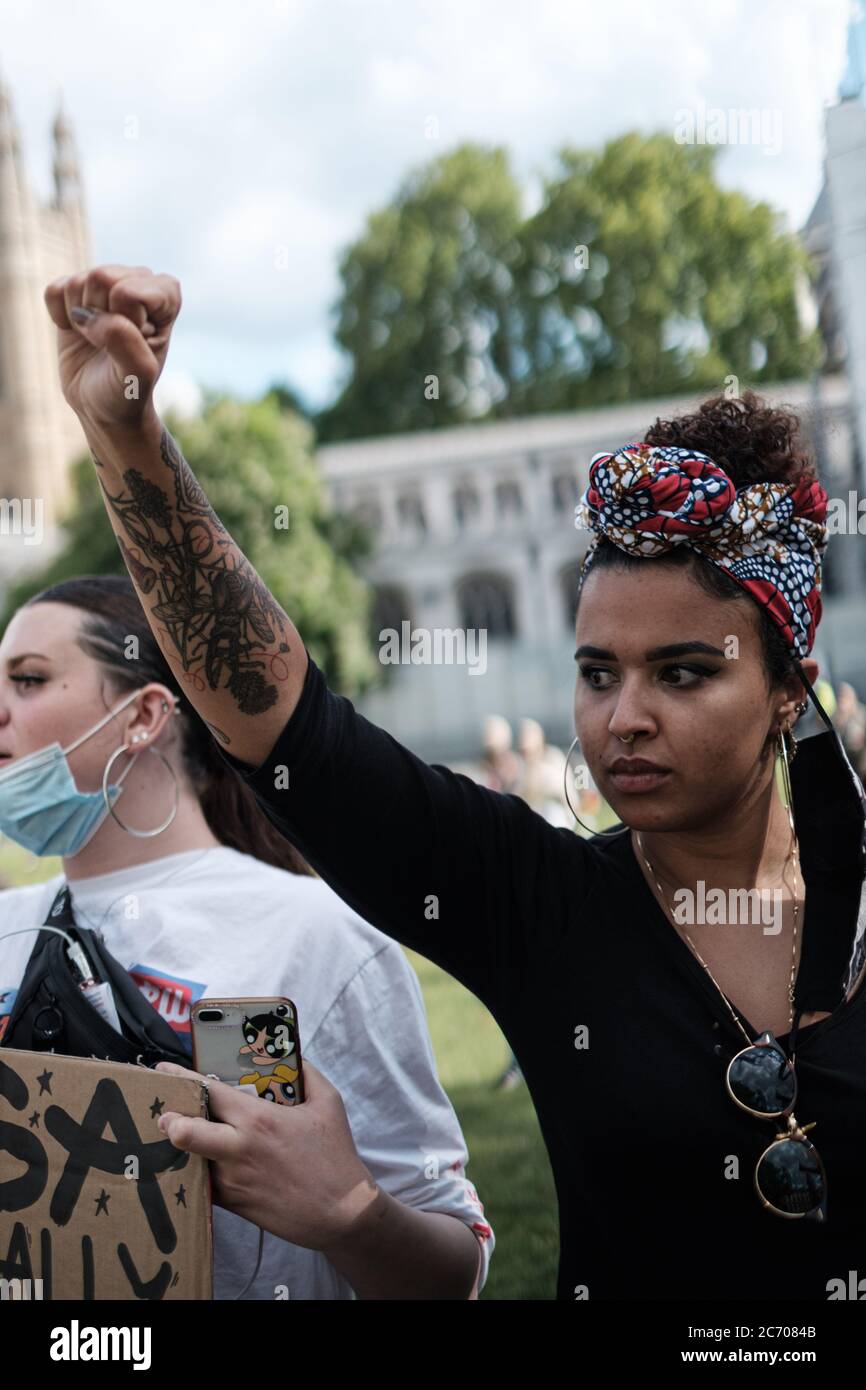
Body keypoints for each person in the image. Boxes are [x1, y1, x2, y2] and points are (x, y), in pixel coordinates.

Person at [43, 264, 866, 1302]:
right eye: (596, 672)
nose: (624, 716)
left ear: (789, 686)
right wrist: (128, 438)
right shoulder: (543, 906)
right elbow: (291, 731)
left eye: (683, 671)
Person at [0, 574, 493, 1300]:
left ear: (143, 716)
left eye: (29, 680)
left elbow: (452, 1272)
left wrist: (351, 1217)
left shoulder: (311, 934)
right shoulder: (11, 925)